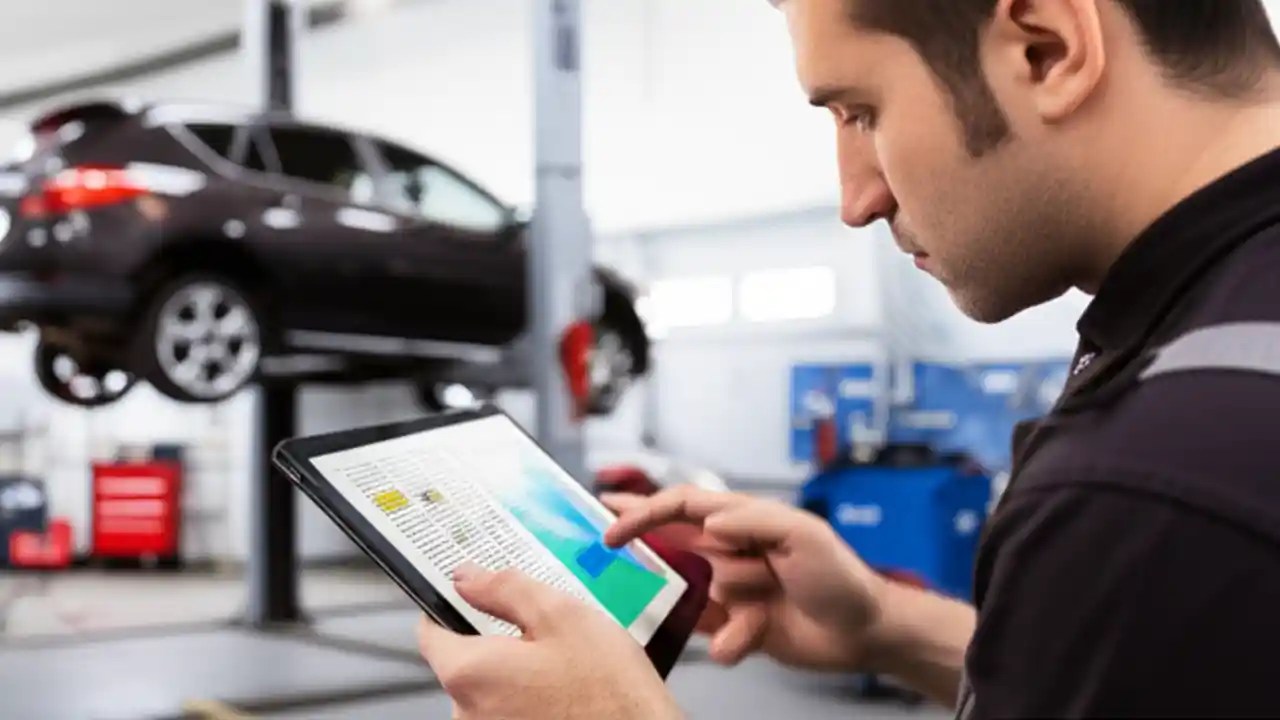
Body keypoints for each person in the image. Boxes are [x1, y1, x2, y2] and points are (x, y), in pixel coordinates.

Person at [417, 0, 1280, 716]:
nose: (856, 200)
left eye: (860, 113)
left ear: (1046, 49)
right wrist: (886, 627)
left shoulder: (1148, 493)